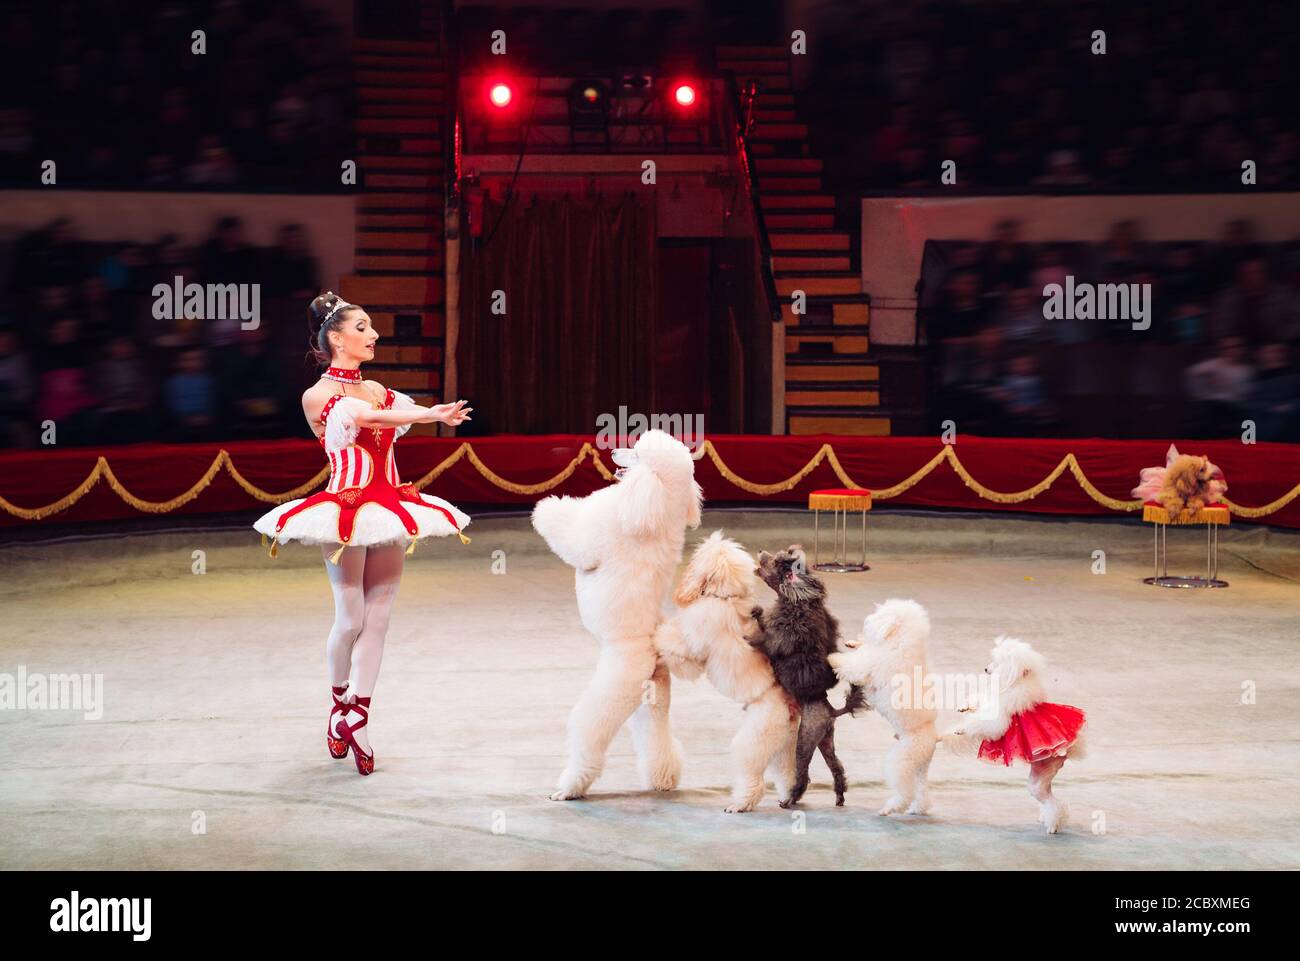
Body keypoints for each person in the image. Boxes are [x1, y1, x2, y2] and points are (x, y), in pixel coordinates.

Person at [252, 292, 473, 776]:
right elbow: (366, 419)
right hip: (345, 508)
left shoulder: (375, 387)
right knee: (350, 618)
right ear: (336, 338)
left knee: (380, 618)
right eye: (363, 328)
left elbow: (389, 414)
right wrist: (431, 414)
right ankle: (337, 706)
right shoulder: (318, 394)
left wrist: (431, 414)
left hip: (389, 504)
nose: (373, 335)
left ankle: (359, 717)